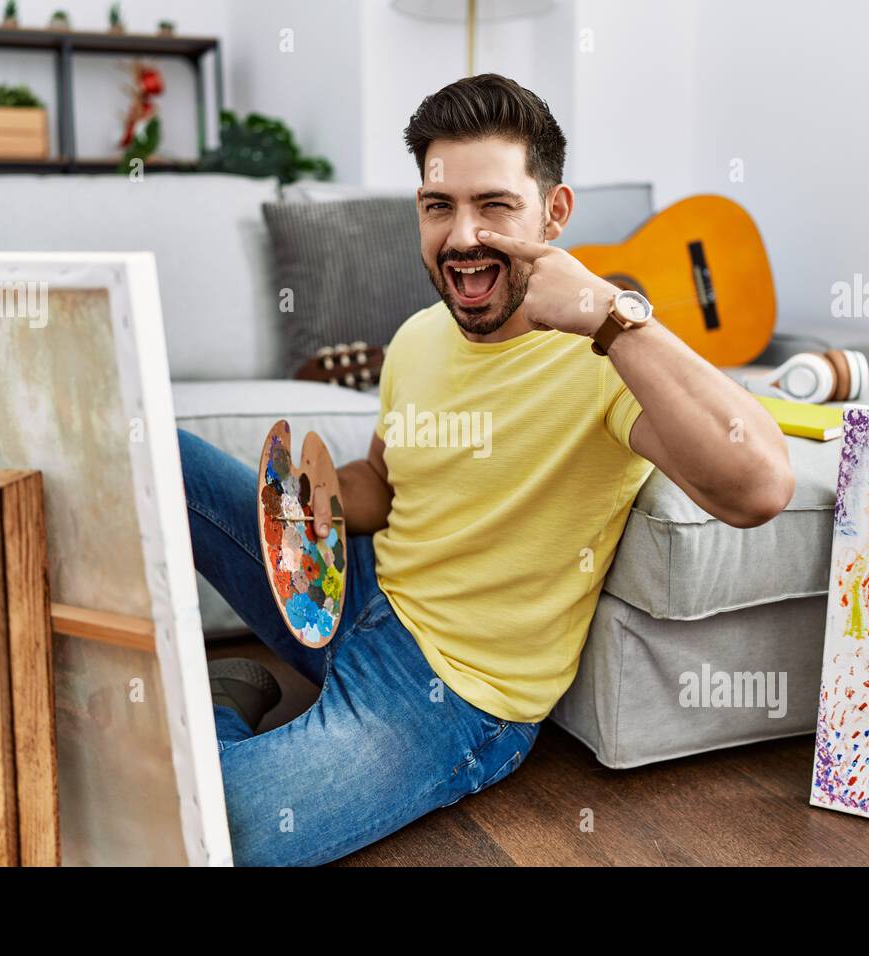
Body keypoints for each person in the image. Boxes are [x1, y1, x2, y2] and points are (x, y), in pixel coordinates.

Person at [179, 73, 794, 866]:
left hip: (452, 694)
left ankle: (224, 700)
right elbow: (386, 487)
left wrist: (613, 317)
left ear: (554, 213)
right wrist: (313, 494)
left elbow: (760, 488)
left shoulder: (607, 356)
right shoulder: (414, 338)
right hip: (356, 593)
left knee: (232, 830)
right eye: (440, 208)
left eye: (494, 205)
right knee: (166, 457)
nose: (463, 236)